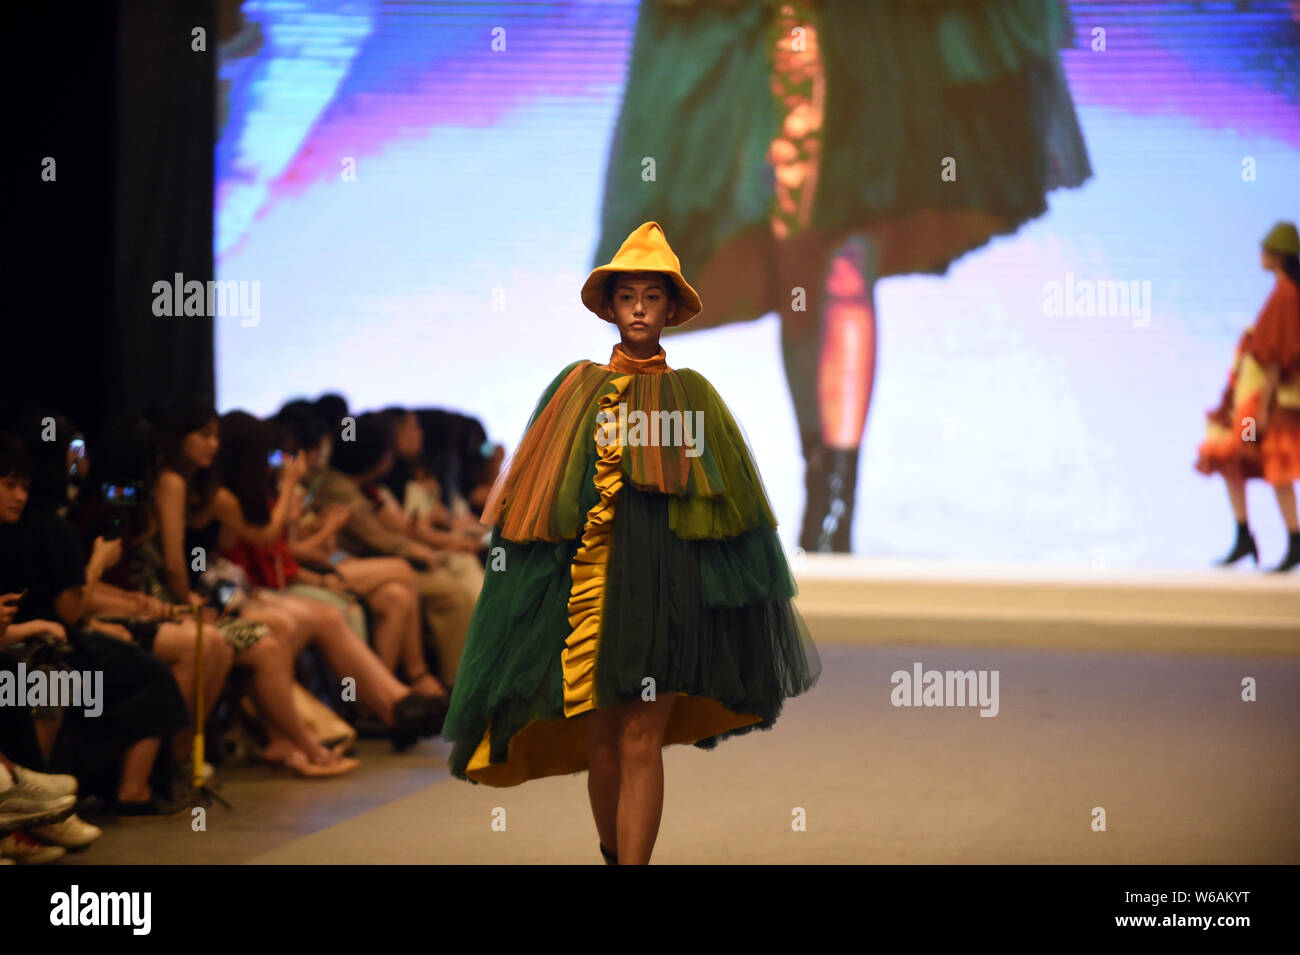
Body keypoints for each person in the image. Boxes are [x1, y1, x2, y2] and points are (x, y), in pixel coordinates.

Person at [592, 0, 1091, 551]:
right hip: (771, 48)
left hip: (869, 39)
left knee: (849, 262)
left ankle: (836, 507)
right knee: (801, 269)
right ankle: (820, 480)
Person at [442, 222, 822, 864]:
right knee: (604, 739)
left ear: (671, 309)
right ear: (611, 308)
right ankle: (613, 855)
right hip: (591, 592)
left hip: (667, 591)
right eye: (628, 296)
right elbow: (537, 505)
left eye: (653, 296)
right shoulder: (574, 390)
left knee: (642, 735)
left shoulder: (694, 398)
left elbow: (722, 513)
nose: (640, 308)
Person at [1196, 221, 1300, 572]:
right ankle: (1248, 536)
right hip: (1257, 401)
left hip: (1263, 405)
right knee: (1238, 458)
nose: (1259, 257)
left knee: (1257, 458)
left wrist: (1263, 411)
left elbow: (1275, 357)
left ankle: (1285, 538)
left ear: (1277, 256)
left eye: (1264, 251)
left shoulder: (1286, 296)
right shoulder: (1284, 293)